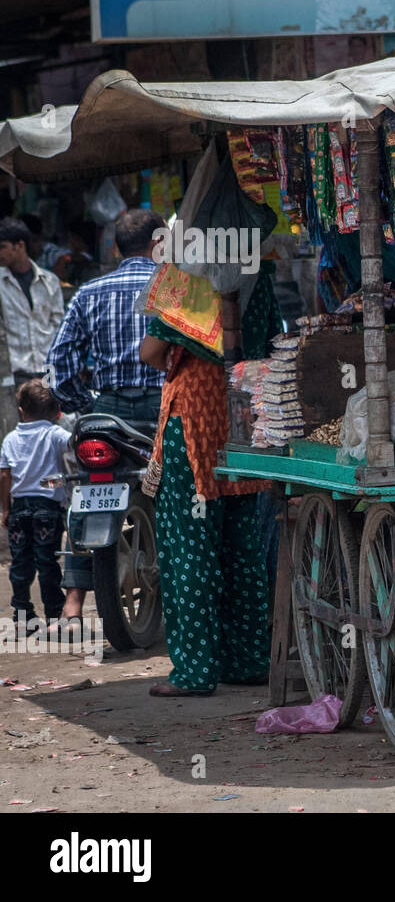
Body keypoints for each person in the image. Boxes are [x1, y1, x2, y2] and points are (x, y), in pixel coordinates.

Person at [137, 265, 280, 697]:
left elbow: (150, 350)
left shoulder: (189, 280)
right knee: (241, 546)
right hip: (242, 416)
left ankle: (195, 671)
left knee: (188, 550)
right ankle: (249, 660)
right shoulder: (259, 272)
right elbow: (270, 337)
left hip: (194, 423)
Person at [48, 208, 168, 623]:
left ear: (116, 247)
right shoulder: (173, 287)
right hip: (161, 406)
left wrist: (85, 405)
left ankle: (72, 603)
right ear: (159, 243)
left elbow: (59, 362)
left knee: (82, 491)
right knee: (180, 490)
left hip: (107, 413)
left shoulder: (87, 293)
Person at [1, 381, 70, 631]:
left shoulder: (10, 439)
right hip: (48, 509)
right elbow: (74, 448)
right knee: (47, 561)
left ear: (21, 410)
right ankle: (54, 614)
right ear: (55, 410)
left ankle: (22, 615)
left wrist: (6, 510)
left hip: (19, 509)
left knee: (20, 562)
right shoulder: (55, 434)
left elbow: (5, 476)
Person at [0, 217, 65, 388]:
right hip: (14, 373)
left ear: (20, 245)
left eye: (3, 247)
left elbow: (58, 327)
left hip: (47, 372)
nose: (0, 253)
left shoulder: (50, 281)